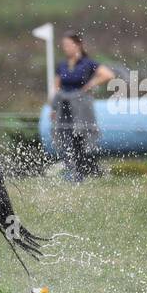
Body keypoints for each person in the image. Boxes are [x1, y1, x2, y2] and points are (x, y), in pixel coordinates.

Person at [50, 31, 115, 181]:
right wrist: (54, 107)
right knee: (64, 137)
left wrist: (91, 84)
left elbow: (108, 75)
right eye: (64, 45)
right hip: (64, 106)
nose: (65, 48)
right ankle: (70, 170)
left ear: (77, 45)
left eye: (68, 45)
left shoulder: (88, 63)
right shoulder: (62, 65)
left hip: (80, 108)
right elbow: (57, 87)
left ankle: (81, 171)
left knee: (79, 137)